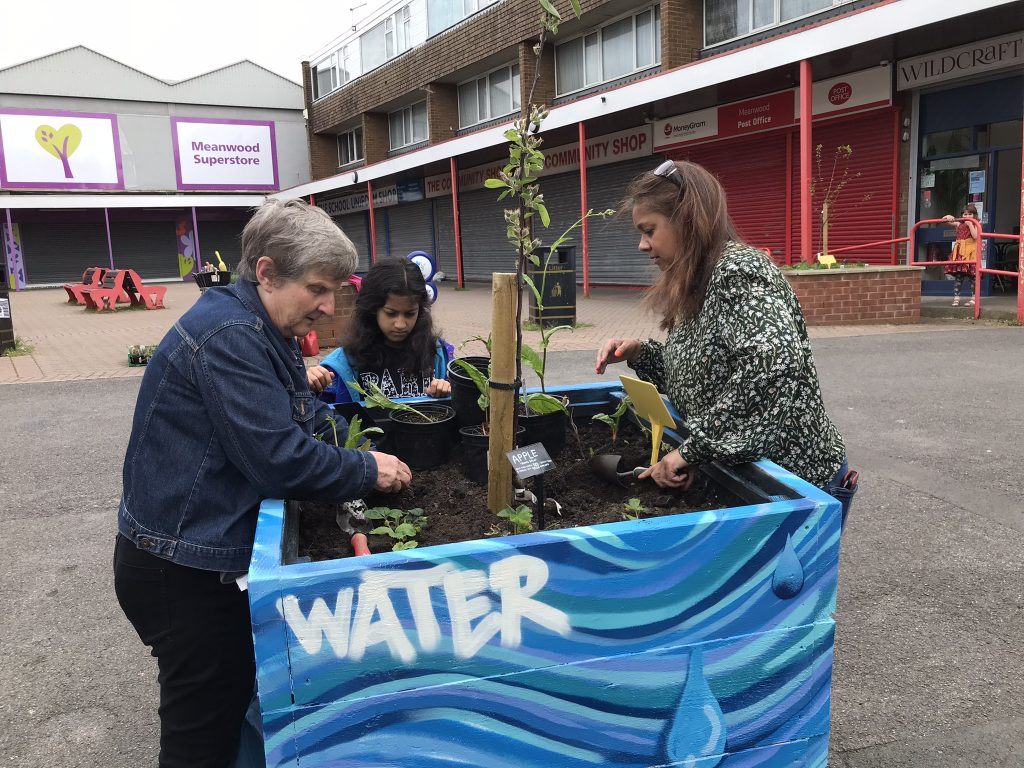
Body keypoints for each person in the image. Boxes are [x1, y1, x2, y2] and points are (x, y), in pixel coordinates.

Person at [113, 199, 412, 768]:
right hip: (182, 571)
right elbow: (280, 459)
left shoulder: (255, 325)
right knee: (201, 730)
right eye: (318, 290)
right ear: (269, 272)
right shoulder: (229, 334)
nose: (328, 309)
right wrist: (367, 468)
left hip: (196, 554)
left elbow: (298, 417)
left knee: (226, 709)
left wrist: (354, 437)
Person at [595, 159, 856, 522]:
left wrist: (691, 451)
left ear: (687, 220)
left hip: (797, 483)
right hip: (759, 480)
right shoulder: (699, 282)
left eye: (649, 230)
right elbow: (702, 378)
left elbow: (772, 364)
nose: (642, 245)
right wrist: (641, 354)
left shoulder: (738, 271)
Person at [307, 256, 452, 402]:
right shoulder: (344, 362)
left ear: (420, 311)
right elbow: (324, 409)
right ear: (372, 309)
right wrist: (313, 384)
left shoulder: (439, 354)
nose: (400, 324)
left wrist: (448, 389)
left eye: (410, 314)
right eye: (391, 313)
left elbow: (460, 403)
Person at [942, 204, 980, 307]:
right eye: (965, 214)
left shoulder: (977, 224)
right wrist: (948, 217)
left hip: (971, 253)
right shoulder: (959, 224)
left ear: (975, 215)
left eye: (970, 214)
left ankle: (974, 298)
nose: (967, 216)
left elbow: (976, 236)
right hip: (960, 253)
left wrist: (971, 224)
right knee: (959, 276)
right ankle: (956, 298)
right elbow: (945, 221)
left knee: (973, 277)